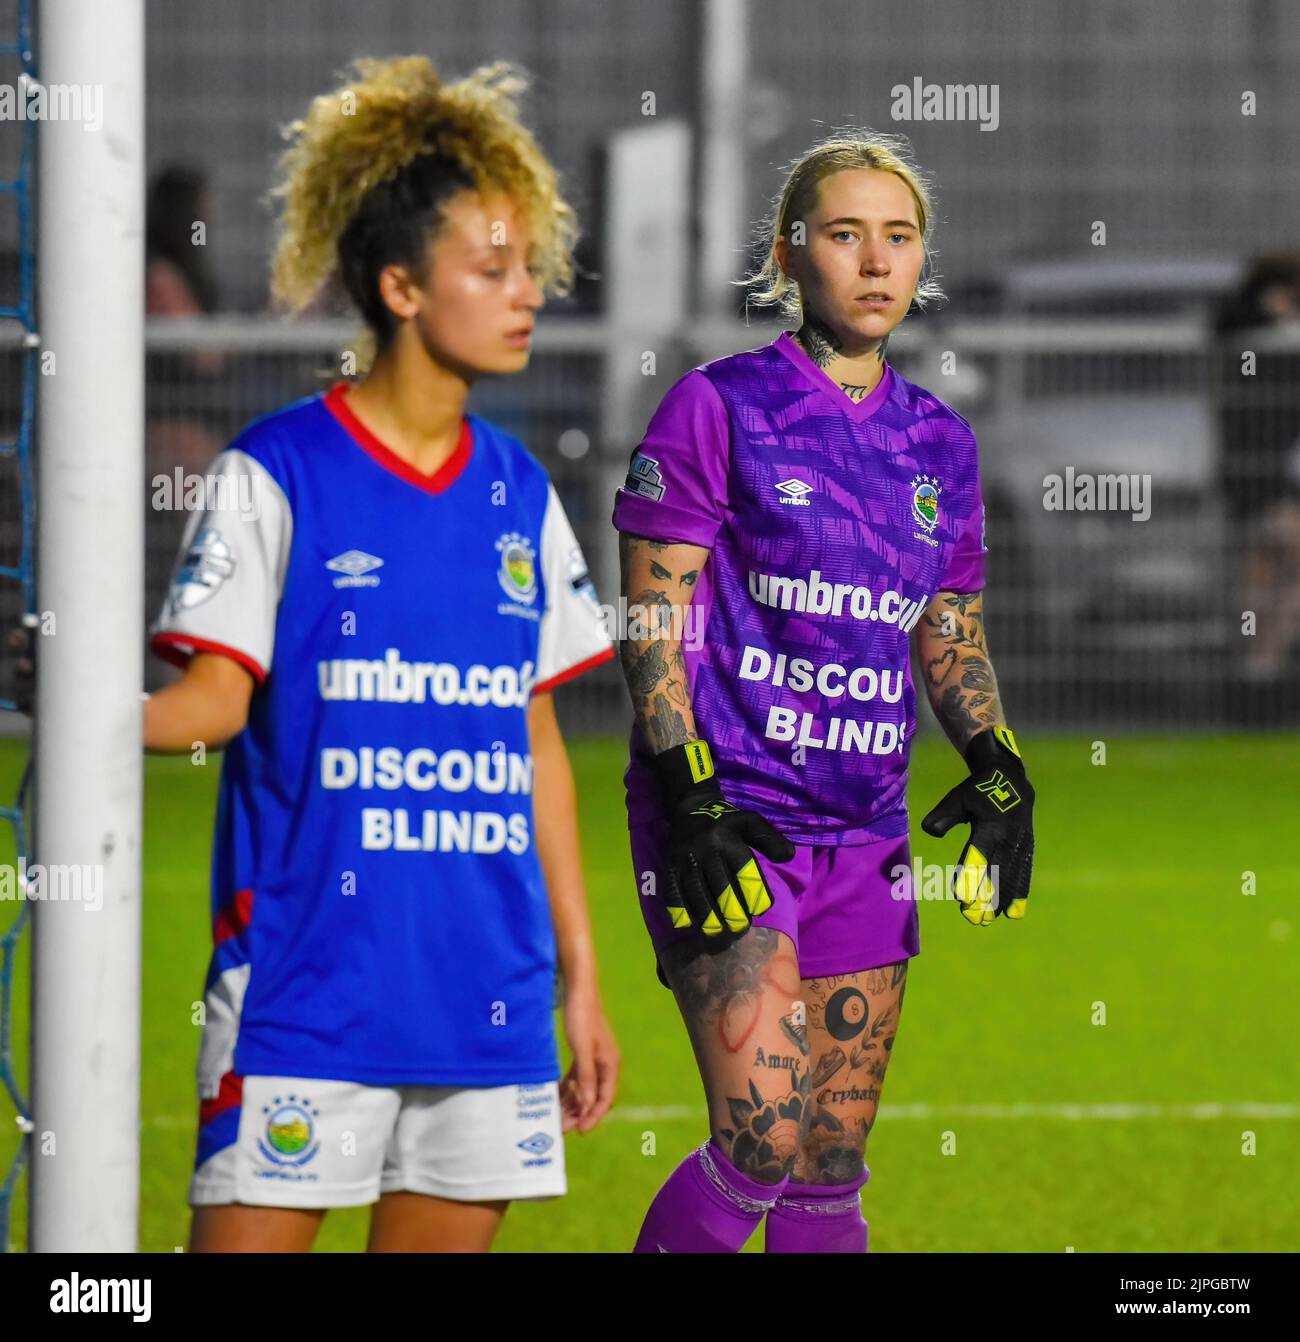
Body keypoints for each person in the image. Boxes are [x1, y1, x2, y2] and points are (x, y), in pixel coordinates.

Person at [146, 55, 619, 1253]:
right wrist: (82, 702)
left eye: (529, 269)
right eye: (493, 270)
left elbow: (536, 747)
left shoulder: (519, 493)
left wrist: (581, 975)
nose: (527, 296)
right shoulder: (277, 470)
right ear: (403, 287)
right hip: (304, 996)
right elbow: (207, 703)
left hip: (486, 1000)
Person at [612, 132, 1036, 1253]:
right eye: (844, 235)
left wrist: (998, 764)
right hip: (727, 820)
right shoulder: (718, 407)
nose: (875, 260)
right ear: (788, 255)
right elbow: (656, 614)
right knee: (759, 1136)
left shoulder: (938, 443)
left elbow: (947, 627)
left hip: (865, 832)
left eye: (898, 238)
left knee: (829, 1161)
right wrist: (683, 787)